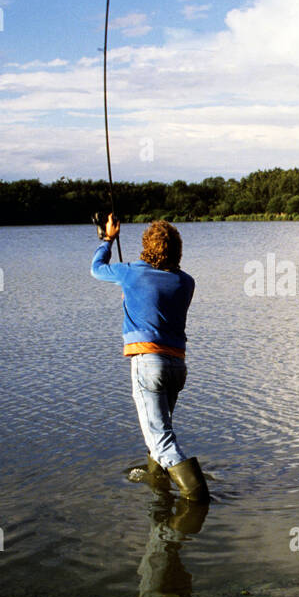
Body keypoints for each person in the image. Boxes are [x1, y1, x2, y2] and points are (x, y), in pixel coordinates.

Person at [90, 213, 208, 501]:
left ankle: (199, 498)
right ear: (177, 250)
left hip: (149, 363)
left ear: (146, 247)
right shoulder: (186, 282)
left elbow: (97, 268)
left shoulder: (131, 273)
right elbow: (158, 296)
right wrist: (131, 293)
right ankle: (159, 485)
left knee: (161, 439)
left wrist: (107, 239)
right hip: (177, 366)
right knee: (161, 431)